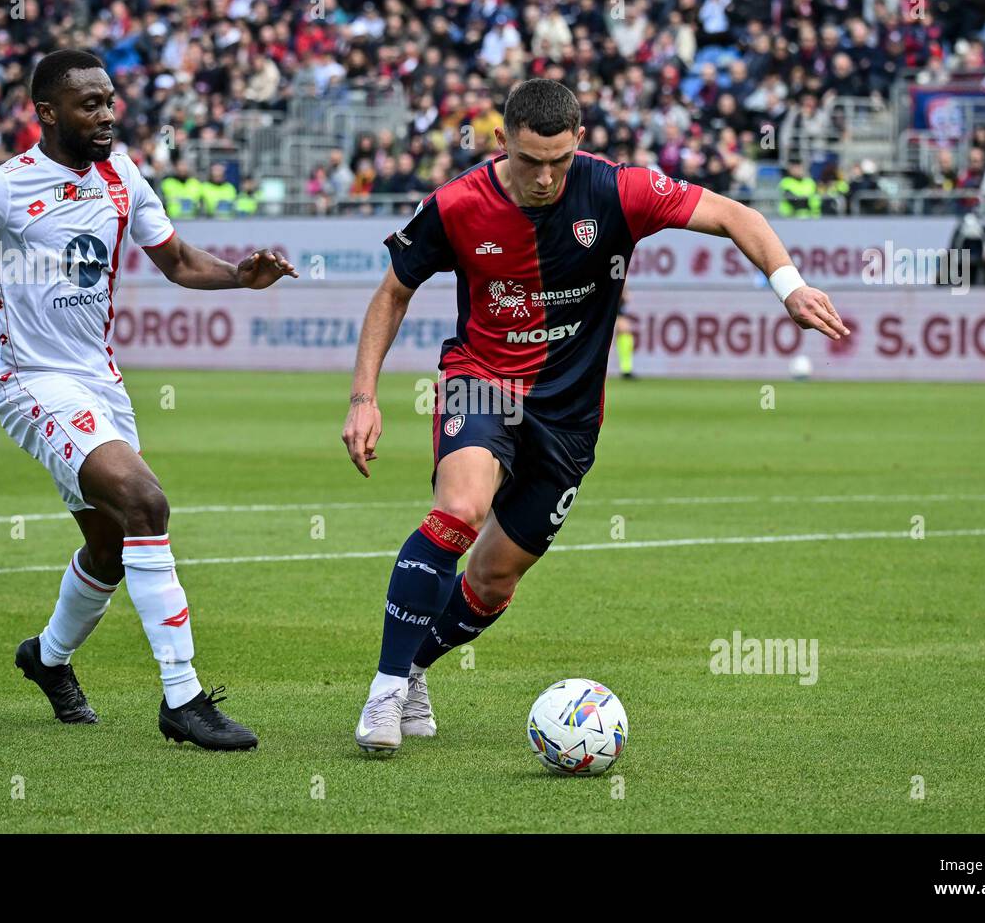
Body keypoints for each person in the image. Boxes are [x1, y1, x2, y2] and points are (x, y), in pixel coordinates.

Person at [340, 79, 848, 756]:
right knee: (459, 510)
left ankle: (416, 668)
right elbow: (393, 292)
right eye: (529, 162)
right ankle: (383, 689)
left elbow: (734, 215)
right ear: (501, 143)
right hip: (483, 380)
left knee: (492, 580)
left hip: (571, 420)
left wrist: (788, 286)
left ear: (578, 142)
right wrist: (364, 397)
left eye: (558, 160)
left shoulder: (616, 189)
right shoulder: (458, 204)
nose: (545, 177)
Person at [0, 49, 298, 750]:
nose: (107, 113)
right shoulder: (5, 187)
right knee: (147, 502)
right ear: (48, 112)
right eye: (89, 104)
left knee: (110, 546)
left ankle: (46, 659)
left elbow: (176, 260)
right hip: (33, 383)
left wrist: (239, 275)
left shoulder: (121, 173)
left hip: (101, 384)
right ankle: (183, 699)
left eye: (110, 100)